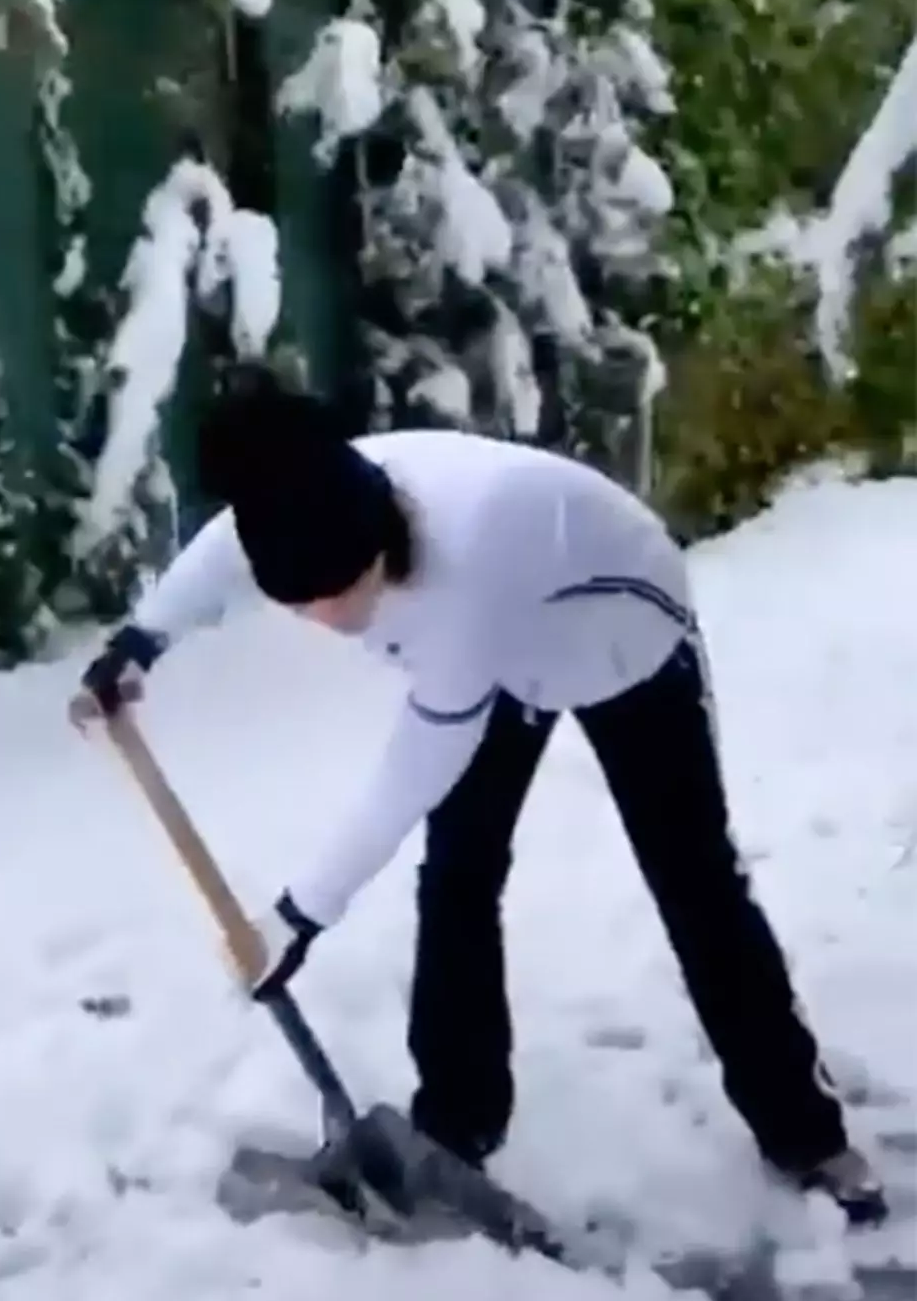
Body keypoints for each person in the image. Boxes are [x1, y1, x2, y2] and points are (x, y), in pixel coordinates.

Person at [69, 366, 886, 1226]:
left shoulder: (470, 562)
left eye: (342, 592)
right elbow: (229, 544)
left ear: (378, 543)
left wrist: (301, 913)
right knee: (457, 873)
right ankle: (454, 1124)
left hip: (624, 637)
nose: (332, 618)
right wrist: (142, 638)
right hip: (506, 657)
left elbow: (417, 766)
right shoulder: (307, 484)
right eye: (305, 604)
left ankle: (806, 1131)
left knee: (696, 882)